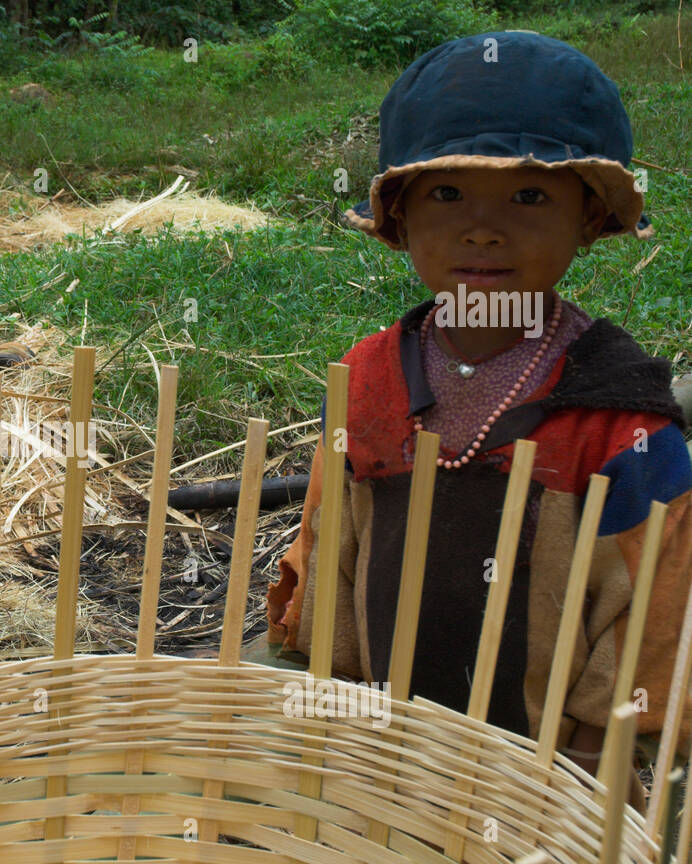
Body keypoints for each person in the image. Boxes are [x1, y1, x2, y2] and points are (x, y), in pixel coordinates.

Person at [261, 33, 692, 789]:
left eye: (530, 196)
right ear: (397, 218)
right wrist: (335, 696)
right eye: (446, 194)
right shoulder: (367, 377)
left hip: (549, 778)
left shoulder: (622, 417)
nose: (482, 228)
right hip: (389, 753)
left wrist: (590, 764)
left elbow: (658, 612)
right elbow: (334, 548)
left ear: (590, 219)